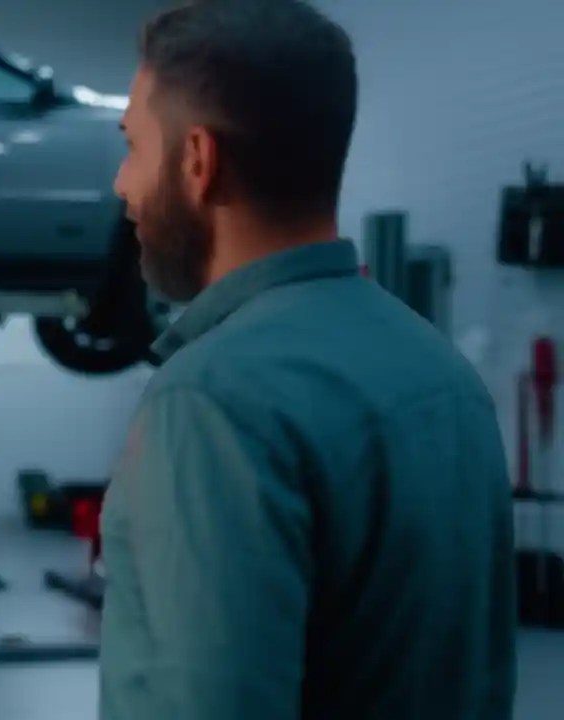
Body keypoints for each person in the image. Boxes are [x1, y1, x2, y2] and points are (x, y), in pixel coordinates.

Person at [100, 1, 516, 718]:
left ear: (198, 161)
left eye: (134, 146)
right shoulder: (442, 372)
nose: (122, 185)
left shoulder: (210, 399)